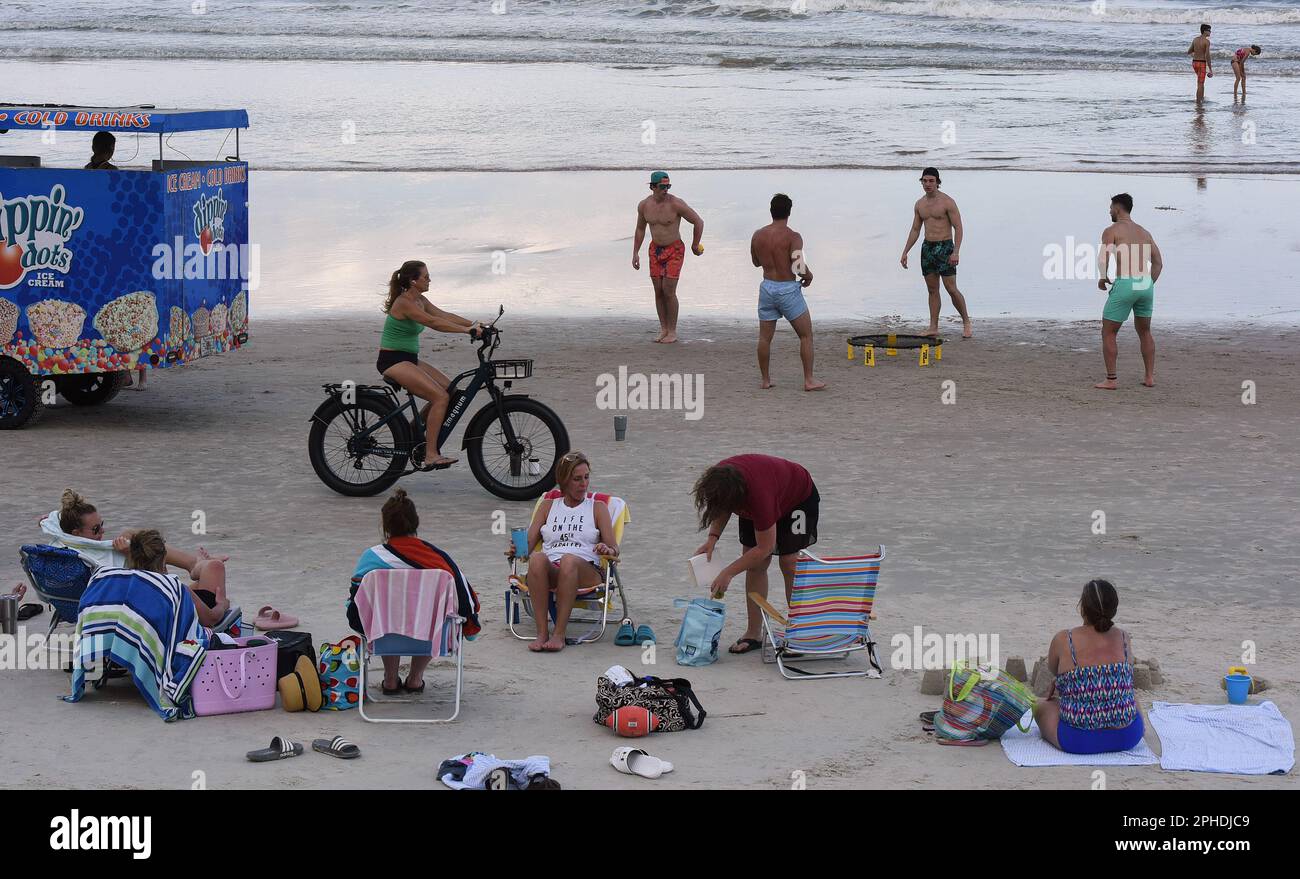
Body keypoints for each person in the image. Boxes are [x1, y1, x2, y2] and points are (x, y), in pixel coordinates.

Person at [348, 488, 481, 694]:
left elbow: (355, 603)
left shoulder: (371, 557)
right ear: (416, 523)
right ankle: (415, 678)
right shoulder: (440, 562)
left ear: (385, 526)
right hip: (430, 634)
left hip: (384, 636)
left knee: (385, 612)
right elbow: (465, 602)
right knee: (432, 612)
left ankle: (390, 679)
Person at [42, 489, 232, 628]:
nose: (103, 531)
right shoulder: (171, 586)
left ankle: (195, 564)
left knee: (128, 534)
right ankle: (195, 564)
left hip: (105, 609)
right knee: (215, 568)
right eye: (96, 529)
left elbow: (53, 519)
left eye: (102, 525)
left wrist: (46, 520)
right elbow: (212, 619)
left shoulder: (62, 547)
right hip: (146, 609)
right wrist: (223, 605)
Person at [692, 454, 819, 655]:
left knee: (790, 563)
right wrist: (712, 538)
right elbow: (722, 506)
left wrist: (728, 572)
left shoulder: (759, 497)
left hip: (798, 498)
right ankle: (753, 634)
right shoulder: (720, 478)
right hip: (763, 493)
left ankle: (800, 633)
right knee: (755, 565)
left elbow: (764, 548)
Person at [506, 451, 619, 652]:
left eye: (586, 477)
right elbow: (527, 549)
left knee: (568, 560)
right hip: (552, 571)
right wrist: (518, 548)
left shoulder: (597, 508)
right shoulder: (548, 506)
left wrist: (606, 548)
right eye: (577, 479)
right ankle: (542, 633)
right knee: (538, 558)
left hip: (586, 571)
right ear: (563, 480)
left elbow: (614, 550)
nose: (583, 484)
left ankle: (559, 634)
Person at [378, 260, 484, 468]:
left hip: (409, 359)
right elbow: (433, 322)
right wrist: (466, 331)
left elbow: (443, 315)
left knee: (451, 391)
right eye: (426, 277)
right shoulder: (404, 303)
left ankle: (409, 433)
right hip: (393, 361)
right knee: (440, 397)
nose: (429, 280)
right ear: (413, 280)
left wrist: (474, 324)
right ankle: (431, 455)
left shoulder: (420, 300)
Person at [1032, 580, 1145, 755]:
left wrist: (1067, 680)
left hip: (1078, 740)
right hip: (1127, 736)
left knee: (1040, 706)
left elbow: (1054, 670)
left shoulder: (1064, 639)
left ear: (1083, 607)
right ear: (1114, 609)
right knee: (1131, 694)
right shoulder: (1123, 637)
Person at [750, 193, 824, 391]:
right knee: (806, 335)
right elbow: (798, 266)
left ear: (771, 211)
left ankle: (765, 380)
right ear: (789, 212)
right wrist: (809, 275)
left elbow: (756, 262)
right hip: (787, 289)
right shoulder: (793, 236)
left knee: (765, 338)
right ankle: (809, 379)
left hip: (767, 287)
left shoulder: (758, 235)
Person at [1095, 193, 1162, 390]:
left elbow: (1103, 258)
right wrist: (1148, 283)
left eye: (1110, 207)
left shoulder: (1111, 230)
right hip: (1145, 284)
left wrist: (1102, 276)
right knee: (1145, 331)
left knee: (1108, 332)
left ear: (1118, 207)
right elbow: (1158, 263)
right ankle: (1149, 377)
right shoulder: (1144, 232)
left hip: (1125, 283)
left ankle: (1111, 380)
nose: (1109, 211)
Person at [899, 168, 973, 339]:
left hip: (945, 248)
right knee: (932, 290)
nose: (927, 184)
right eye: (924, 181)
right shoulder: (919, 204)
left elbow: (959, 227)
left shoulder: (947, 202)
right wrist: (905, 251)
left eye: (931, 181)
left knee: (951, 289)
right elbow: (915, 229)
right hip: (927, 249)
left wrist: (956, 251)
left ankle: (966, 322)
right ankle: (933, 327)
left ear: (938, 182)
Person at [632, 171, 704, 344]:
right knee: (658, 291)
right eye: (663, 186)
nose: (666, 189)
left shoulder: (676, 204)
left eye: (668, 186)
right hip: (655, 250)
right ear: (652, 187)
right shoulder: (644, 206)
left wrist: (695, 244)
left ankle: (672, 331)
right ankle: (663, 328)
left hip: (674, 249)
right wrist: (635, 252)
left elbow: (698, 221)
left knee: (669, 291)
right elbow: (640, 229)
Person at [1187, 24, 1213, 102]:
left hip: (1194, 63)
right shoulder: (1207, 42)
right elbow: (1207, 56)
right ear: (1204, 31)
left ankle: (1201, 98)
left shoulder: (1195, 39)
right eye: (1209, 30)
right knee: (1200, 84)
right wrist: (1210, 69)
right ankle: (1198, 102)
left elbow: (1189, 51)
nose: (1210, 32)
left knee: (1200, 82)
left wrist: (1195, 56)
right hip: (1202, 64)